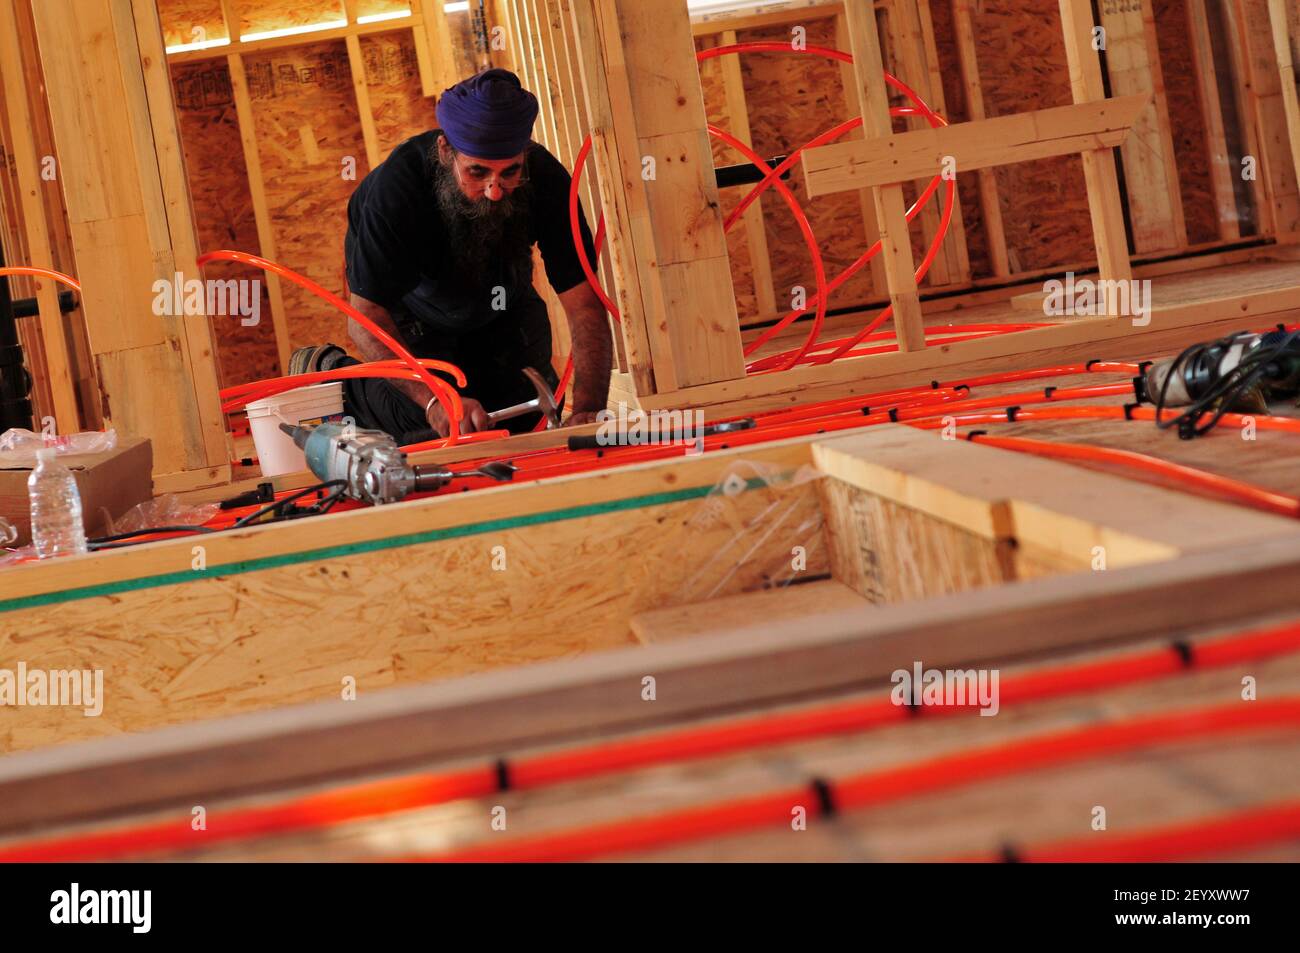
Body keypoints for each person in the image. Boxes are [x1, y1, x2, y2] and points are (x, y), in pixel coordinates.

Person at [290, 68, 610, 441]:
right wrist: (433, 401)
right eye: (477, 172)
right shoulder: (396, 192)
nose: (495, 190)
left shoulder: (547, 180)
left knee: (518, 426)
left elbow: (584, 302)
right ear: (446, 151)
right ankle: (338, 375)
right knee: (434, 431)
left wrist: (589, 409)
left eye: (510, 172)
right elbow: (365, 318)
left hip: (502, 303)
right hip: (415, 317)